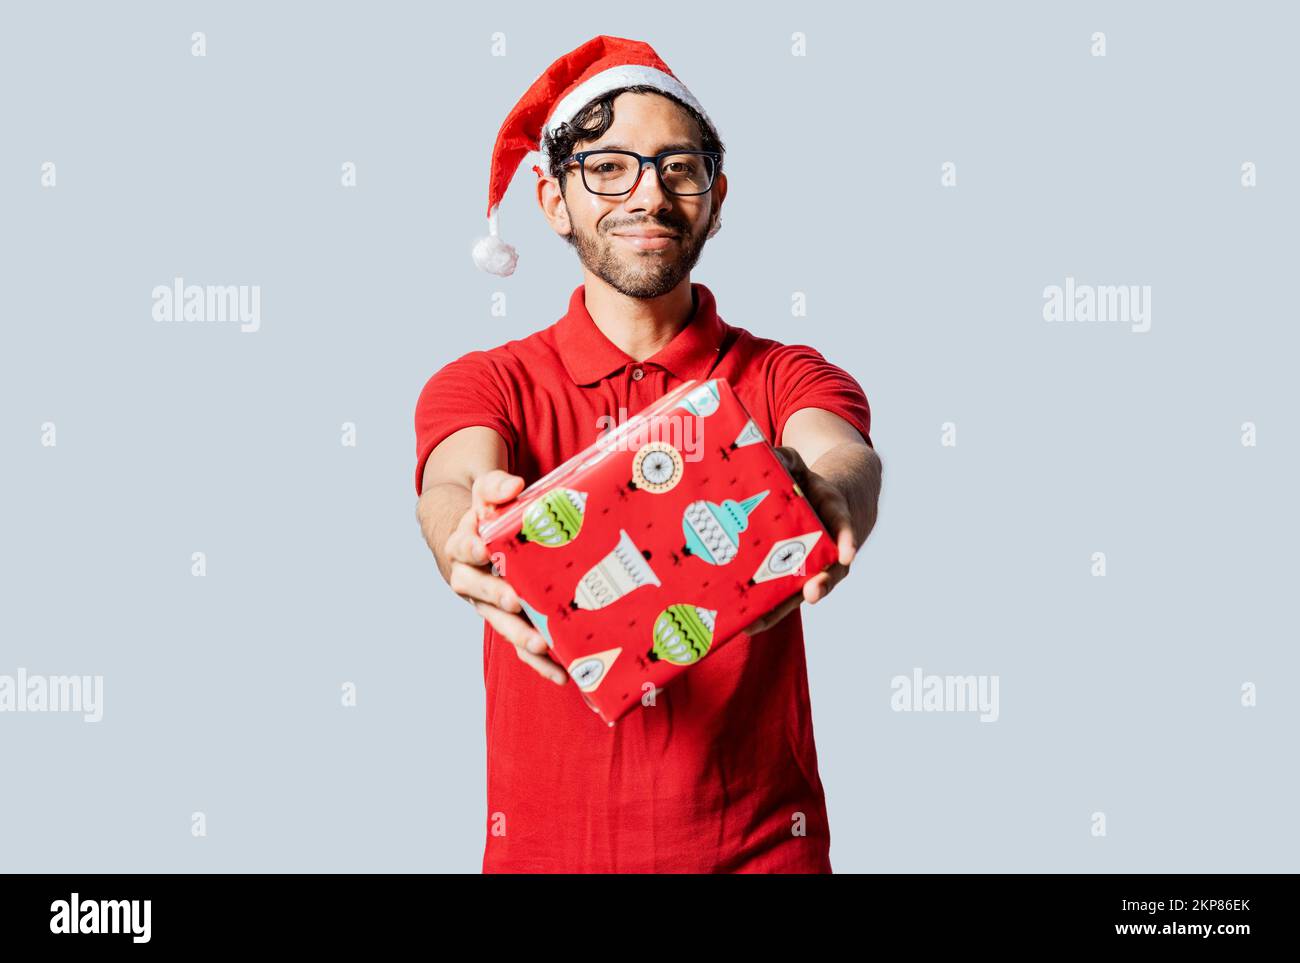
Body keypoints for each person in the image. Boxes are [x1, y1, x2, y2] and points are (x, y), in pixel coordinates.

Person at [414, 36, 882, 873]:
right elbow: (452, 477)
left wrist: (828, 490)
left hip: (763, 856)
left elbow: (840, 449)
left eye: (678, 166)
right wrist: (461, 528)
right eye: (607, 168)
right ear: (553, 200)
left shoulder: (781, 372)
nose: (648, 194)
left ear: (715, 196)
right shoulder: (489, 381)